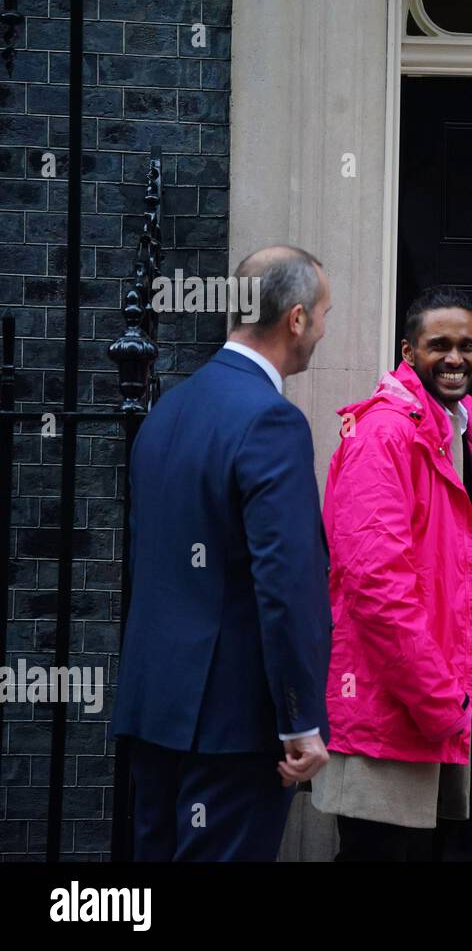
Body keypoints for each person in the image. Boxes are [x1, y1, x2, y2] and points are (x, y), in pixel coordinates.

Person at [112, 245, 333, 861]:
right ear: (294, 319)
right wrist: (300, 720)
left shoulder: (167, 411)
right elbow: (286, 582)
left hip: (154, 707)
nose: (321, 329)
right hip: (232, 726)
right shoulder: (271, 419)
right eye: (322, 314)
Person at [313, 286, 472, 861]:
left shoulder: (460, 425)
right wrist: (438, 698)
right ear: (408, 350)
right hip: (390, 708)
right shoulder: (385, 433)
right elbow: (374, 582)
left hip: (431, 705)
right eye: (438, 344)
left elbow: (443, 534)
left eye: (467, 346)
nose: (455, 357)